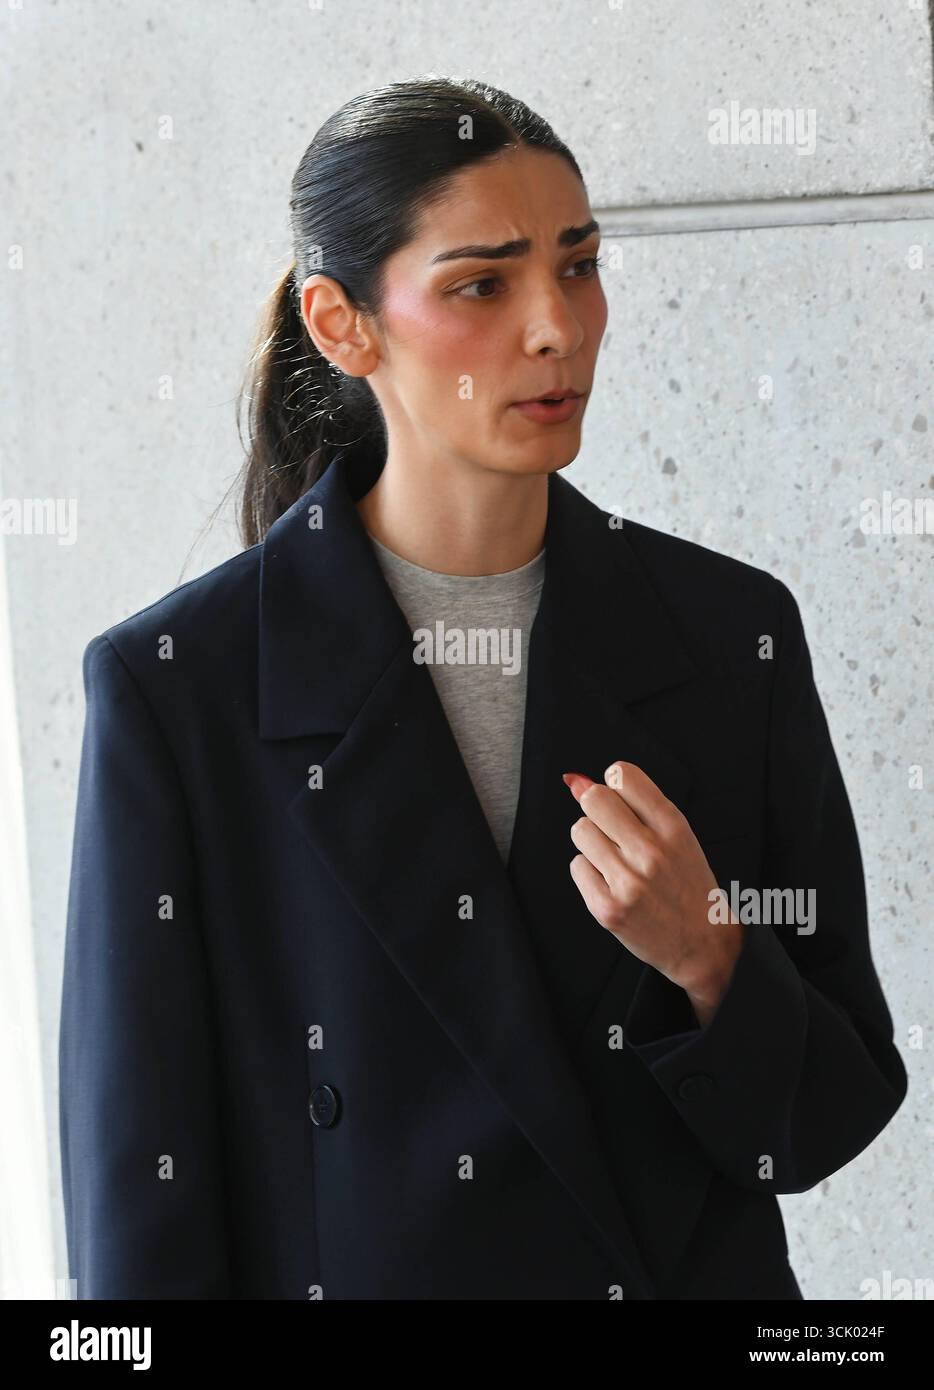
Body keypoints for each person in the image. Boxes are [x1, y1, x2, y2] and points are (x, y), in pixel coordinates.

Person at [58, 76, 908, 1300]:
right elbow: (142, 1199)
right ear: (343, 324)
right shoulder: (179, 691)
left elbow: (824, 1120)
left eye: (579, 264)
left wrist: (714, 957)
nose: (557, 326)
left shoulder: (730, 637)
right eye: (482, 284)